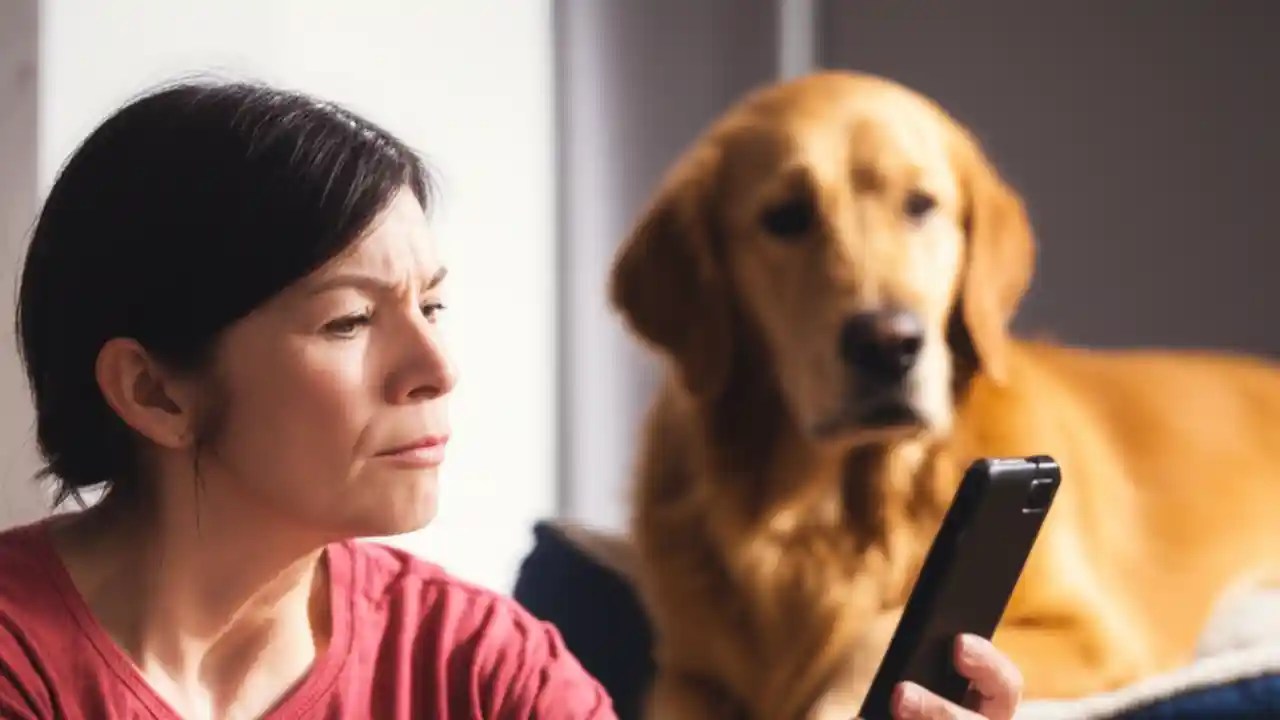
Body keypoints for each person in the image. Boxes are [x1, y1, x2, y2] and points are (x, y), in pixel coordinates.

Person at [0, 79, 1024, 720]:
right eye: (349, 322)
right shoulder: (20, 660)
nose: (434, 368)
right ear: (152, 390)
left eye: (432, 305)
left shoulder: (479, 665)